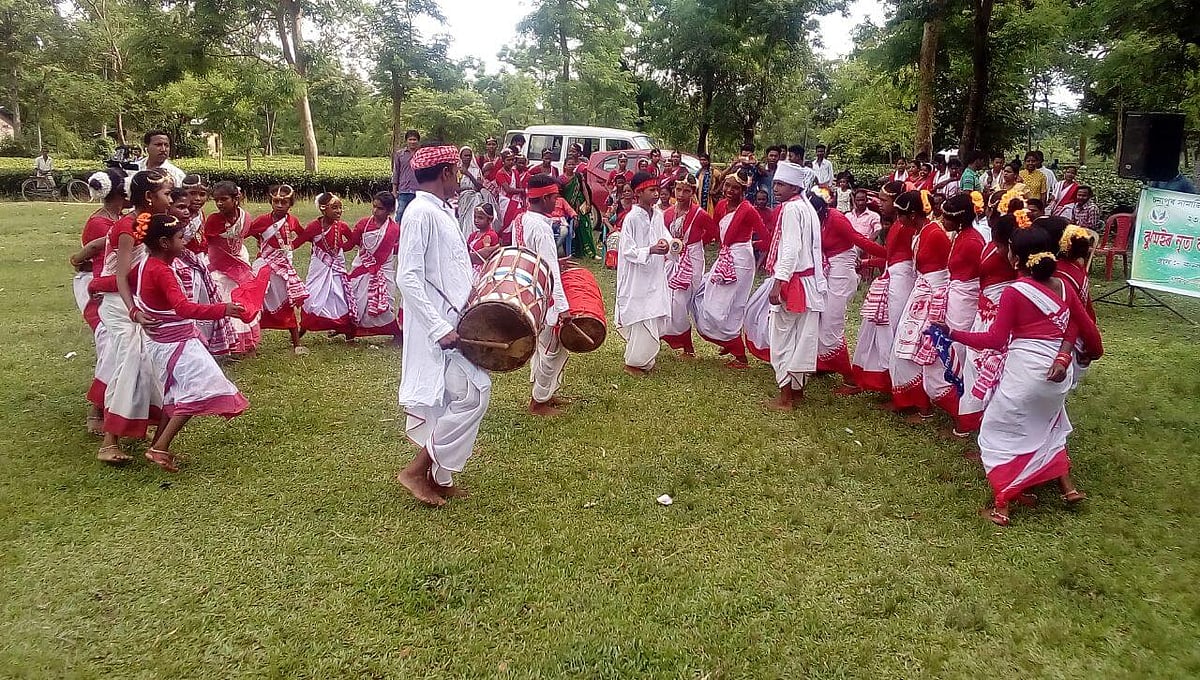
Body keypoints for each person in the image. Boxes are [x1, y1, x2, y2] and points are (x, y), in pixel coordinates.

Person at [934, 224, 1102, 526]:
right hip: (1057, 378)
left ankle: (1002, 507)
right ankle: (1067, 488)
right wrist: (1068, 356)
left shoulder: (1014, 291)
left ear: (1016, 258)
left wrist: (954, 334)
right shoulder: (1064, 285)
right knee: (1047, 426)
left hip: (1025, 375)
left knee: (997, 435)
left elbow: (996, 340)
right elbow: (1088, 331)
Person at [396, 145, 491, 506]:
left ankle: (440, 476)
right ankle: (416, 472)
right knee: (473, 393)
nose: (460, 176)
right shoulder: (420, 212)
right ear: (447, 173)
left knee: (450, 399)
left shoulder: (439, 210)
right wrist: (438, 327)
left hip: (455, 319)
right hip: (440, 326)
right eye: (457, 170)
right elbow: (408, 277)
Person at [131, 214, 248, 472]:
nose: (184, 241)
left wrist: (135, 314)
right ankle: (159, 448)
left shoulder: (144, 265)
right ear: (164, 242)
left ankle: (159, 444)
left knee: (176, 393)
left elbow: (134, 294)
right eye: (179, 237)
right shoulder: (161, 271)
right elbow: (183, 308)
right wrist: (224, 309)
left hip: (166, 341)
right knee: (199, 389)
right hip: (176, 343)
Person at [88, 169, 171, 464]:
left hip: (134, 303)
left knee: (147, 362)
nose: (170, 199)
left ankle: (137, 425)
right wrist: (134, 310)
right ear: (149, 197)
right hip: (119, 304)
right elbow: (121, 277)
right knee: (130, 362)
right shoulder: (128, 227)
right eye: (166, 194)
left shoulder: (148, 223)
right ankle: (109, 441)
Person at [760, 162, 825, 409]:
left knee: (782, 340)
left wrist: (779, 283)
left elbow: (790, 250)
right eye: (775, 183)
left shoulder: (790, 210)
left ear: (795, 186)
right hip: (808, 282)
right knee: (802, 339)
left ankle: (785, 398)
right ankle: (797, 393)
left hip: (793, 282)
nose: (776, 188)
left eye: (781, 184)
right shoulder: (807, 206)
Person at [843, 182, 918, 396]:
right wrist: (867, 263)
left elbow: (895, 257)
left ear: (897, 202)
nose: (878, 204)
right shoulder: (897, 225)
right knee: (875, 329)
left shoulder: (906, 227)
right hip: (892, 278)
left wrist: (856, 239)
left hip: (899, 282)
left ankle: (897, 386)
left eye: (884, 200)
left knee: (890, 331)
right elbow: (889, 256)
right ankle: (879, 382)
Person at [887, 189, 953, 422]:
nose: (898, 220)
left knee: (919, 348)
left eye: (900, 215)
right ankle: (908, 399)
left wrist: (940, 301)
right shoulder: (919, 233)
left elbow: (949, 269)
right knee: (904, 345)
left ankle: (924, 407)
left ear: (912, 215)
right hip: (920, 291)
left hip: (933, 295)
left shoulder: (935, 233)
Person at [71, 168, 127, 434]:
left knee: (122, 345)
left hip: (115, 288)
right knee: (110, 343)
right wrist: (77, 258)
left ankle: (119, 406)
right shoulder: (101, 222)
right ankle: (97, 407)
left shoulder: (120, 218)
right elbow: (93, 250)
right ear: (118, 192)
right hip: (97, 289)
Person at [695, 170, 769, 368]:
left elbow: (767, 238)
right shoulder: (720, 206)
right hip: (725, 258)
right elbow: (714, 231)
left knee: (729, 306)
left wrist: (750, 245)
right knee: (708, 299)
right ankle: (729, 341)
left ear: (743, 189)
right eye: (727, 186)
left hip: (741, 262)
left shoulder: (749, 210)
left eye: (734, 187)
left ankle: (739, 354)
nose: (729, 190)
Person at [513, 174, 574, 415]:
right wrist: (562, 307)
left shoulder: (522, 219)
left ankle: (547, 393)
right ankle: (538, 402)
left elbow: (531, 257)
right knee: (552, 347)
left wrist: (557, 262)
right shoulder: (542, 228)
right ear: (546, 197)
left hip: (528, 293)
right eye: (556, 197)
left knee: (542, 346)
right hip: (545, 297)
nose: (557, 201)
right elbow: (550, 273)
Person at [816, 193, 886, 385]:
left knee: (832, 322)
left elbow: (859, 240)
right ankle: (822, 364)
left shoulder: (837, 219)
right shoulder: (817, 218)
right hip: (828, 267)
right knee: (820, 318)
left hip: (842, 268)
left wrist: (888, 255)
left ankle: (849, 377)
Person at [957, 214, 1018, 434]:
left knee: (988, 365)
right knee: (973, 362)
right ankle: (971, 420)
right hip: (983, 311)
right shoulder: (991, 246)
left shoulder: (1015, 256)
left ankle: (989, 424)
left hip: (997, 313)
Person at [938, 193, 987, 434]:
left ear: (958, 219)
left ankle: (967, 411)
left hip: (966, 301)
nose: (941, 220)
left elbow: (983, 276)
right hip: (956, 296)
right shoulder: (961, 236)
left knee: (960, 351)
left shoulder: (973, 241)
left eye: (946, 216)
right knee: (952, 348)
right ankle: (956, 402)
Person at [171, 178, 234, 357]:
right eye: (192, 194)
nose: (198, 199)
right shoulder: (177, 216)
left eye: (202, 194)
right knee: (189, 304)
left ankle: (206, 345)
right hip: (181, 266)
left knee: (205, 303)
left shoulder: (200, 215)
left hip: (199, 263)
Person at [616, 171, 671, 375]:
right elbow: (628, 250)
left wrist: (668, 243)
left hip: (655, 272)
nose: (657, 194)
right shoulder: (631, 218)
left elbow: (663, 234)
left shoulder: (657, 214)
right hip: (637, 275)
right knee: (641, 312)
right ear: (639, 192)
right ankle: (634, 362)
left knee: (653, 310)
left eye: (657, 189)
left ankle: (646, 360)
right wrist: (650, 250)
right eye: (652, 190)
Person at [248, 184, 308, 354]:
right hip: (265, 266)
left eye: (284, 202)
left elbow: (303, 234)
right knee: (258, 301)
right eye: (276, 201)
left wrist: (290, 247)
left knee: (286, 302)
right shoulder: (262, 220)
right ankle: (251, 342)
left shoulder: (292, 221)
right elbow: (249, 231)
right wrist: (262, 243)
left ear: (290, 204)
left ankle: (296, 344)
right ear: (271, 202)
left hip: (283, 267)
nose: (280, 205)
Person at [203, 182, 261, 355]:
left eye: (224, 199)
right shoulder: (213, 220)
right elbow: (206, 244)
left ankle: (244, 342)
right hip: (218, 266)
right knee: (222, 300)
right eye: (216, 200)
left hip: (239, 262)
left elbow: (249, 233)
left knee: (241, 301)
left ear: (236, 199)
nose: (219, 203)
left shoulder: (245, 217)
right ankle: (226, 342)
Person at [661, 174, 715, 357]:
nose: (681, 194)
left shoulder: (700, 214)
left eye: (686, 190)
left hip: (692, 259)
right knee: (668, 298)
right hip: (672, 258)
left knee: (681, 301)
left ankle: (687, 345)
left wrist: (695, 244)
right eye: (678, 189)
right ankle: (666, 336)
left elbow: (713, 232)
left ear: (693, 192)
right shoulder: (668, 213)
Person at [294, 192, 355, 337]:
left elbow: (352, 241)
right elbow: (298, 242)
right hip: (319, 265)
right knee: (313, 295)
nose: (339, 211)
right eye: (334, 208)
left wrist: (341, 249)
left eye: (340, 207)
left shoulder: (342, 226)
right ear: (323, 209)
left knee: (338, 295)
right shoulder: (314, 226)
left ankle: (344, 328)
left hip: (337, 265)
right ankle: (304, 326)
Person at [347, 192, 402, 341]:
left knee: (384, 303)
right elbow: (352, 243)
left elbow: (396, 248)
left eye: (380, 208)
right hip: (362, 266)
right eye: (374, 206)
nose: (375, 211)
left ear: (390, 211)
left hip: (384, 271)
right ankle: (350, 332)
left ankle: (396, 333)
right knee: (356, 300)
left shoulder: (394, 229)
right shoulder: (363, 224)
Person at [561, 156, 599, 259]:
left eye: (573, 164)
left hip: (581, 205)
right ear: (565, 166)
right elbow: (561, 196)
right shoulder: (561, 179)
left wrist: (588, 202)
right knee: (572, 229)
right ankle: (573, 251)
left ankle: (591, 252)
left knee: (585, 227)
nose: (571, 166)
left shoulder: (578, 176)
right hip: (569, 207)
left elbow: (584, 189)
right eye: (569, 164)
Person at [456, 145, 495, 236]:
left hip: (475, 198)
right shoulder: (457, 171)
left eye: (469, 155)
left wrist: (468, 174)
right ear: (461, 157)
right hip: (463, 198)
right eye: (465, 155)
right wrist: (467, 189)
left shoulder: (476, 171)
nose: (468, 158)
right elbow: (456, 188)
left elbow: (478, 186)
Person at [391, 129, 421, 222]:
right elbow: (396, 172)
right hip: (404, 190)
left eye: (414, 139)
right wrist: (394, 190)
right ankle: (398, 235)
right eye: (410, 139)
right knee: (400, 214)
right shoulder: (400, 154)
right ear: (406, 141)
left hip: (419, 191)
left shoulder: (422, 154)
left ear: (418, 141)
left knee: (417, 216)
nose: (412, 142)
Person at [466, 203, 500, 272]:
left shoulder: (492, 235)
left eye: (480, 218)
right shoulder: (473, 235)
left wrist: (487, 247)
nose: (476, 220)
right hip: (469, 266)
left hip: (483, 271)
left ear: (490, 220)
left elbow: (490, 257)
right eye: (475, 217)